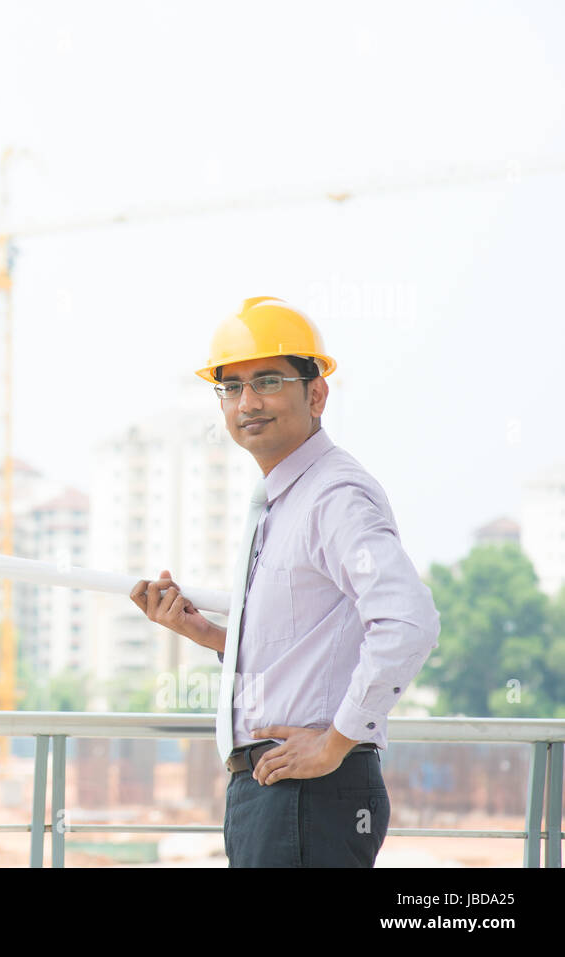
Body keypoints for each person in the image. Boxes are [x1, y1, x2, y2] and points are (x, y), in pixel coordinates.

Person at [128, 296, 440, 867]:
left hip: (309, 795)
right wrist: (213, 637)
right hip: (276, 794)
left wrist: (336, 740)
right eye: (232, 387)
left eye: (268, 381)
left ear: (315, 393)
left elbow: (408, 622)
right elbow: (312, 642)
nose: (248, 402)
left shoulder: (334, 496)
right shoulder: (284, 501)